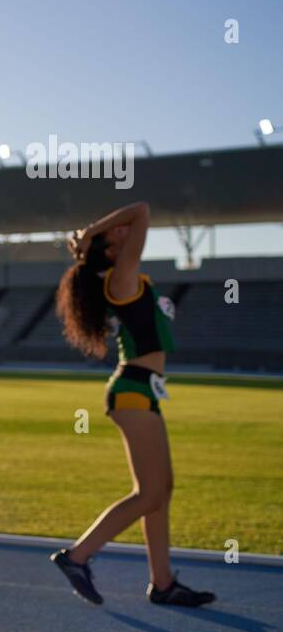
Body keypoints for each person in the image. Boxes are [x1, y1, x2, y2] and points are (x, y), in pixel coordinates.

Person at [49, 201, 215, 608]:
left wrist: (95, 235)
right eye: (117, 234)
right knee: (148, 493)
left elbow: (134, 217)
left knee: (162, 489)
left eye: (124, 231)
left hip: (145, 391)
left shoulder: (124, 277)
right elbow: (140, 210)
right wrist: (90, 231)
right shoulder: (121, 277)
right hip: (132, 391)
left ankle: (163, 583)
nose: (126, 231)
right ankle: (77, 556)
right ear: (108, 250)